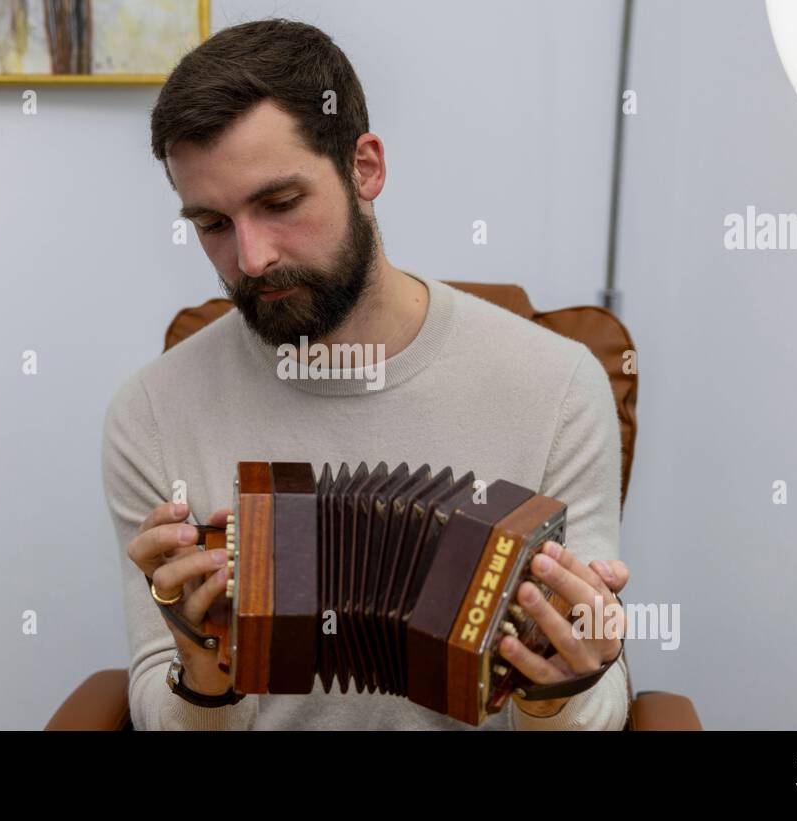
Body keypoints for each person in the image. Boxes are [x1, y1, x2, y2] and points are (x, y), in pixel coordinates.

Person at [103, 18, 631, 730]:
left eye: (280, 204)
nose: (252, 257)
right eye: (212, 224)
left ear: (366, 167)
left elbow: (597, 701)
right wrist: (203, 669)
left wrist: (554, 687)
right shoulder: (153, 410)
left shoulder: (557, 384)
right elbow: (156, 701)